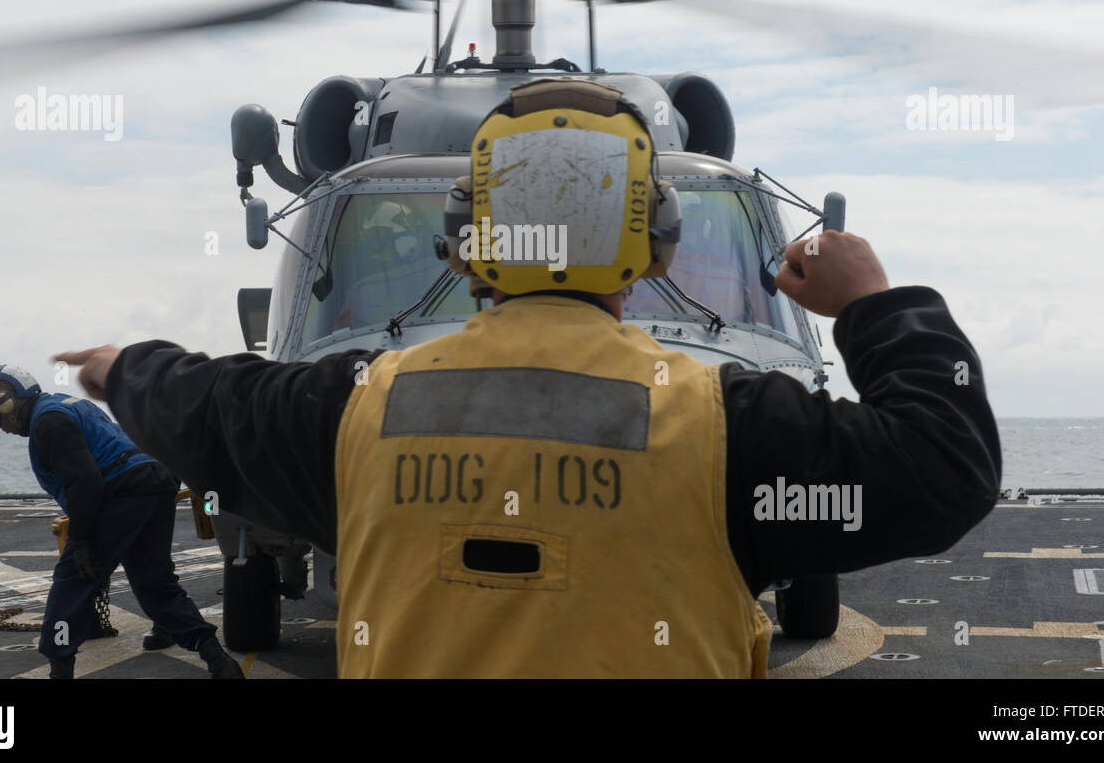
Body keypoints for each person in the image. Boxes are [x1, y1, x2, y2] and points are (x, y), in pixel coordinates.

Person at [55, 78, 1001, 678]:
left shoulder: (347, 415)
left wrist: (118, 367)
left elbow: (205, 405)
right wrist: (876, 304)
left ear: (464, 246)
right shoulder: (731, 429)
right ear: (658, 245)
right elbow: (948, 465)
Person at [0, 365, 244, 679]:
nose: (1, 425)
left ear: (11, 402)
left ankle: (59, 672)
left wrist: (80, 541)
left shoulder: (48, 423)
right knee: (154, 584)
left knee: (71, 584)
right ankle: (217, 659)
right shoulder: (67, 404)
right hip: (155, 480)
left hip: (124, 490)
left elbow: (86, 485)